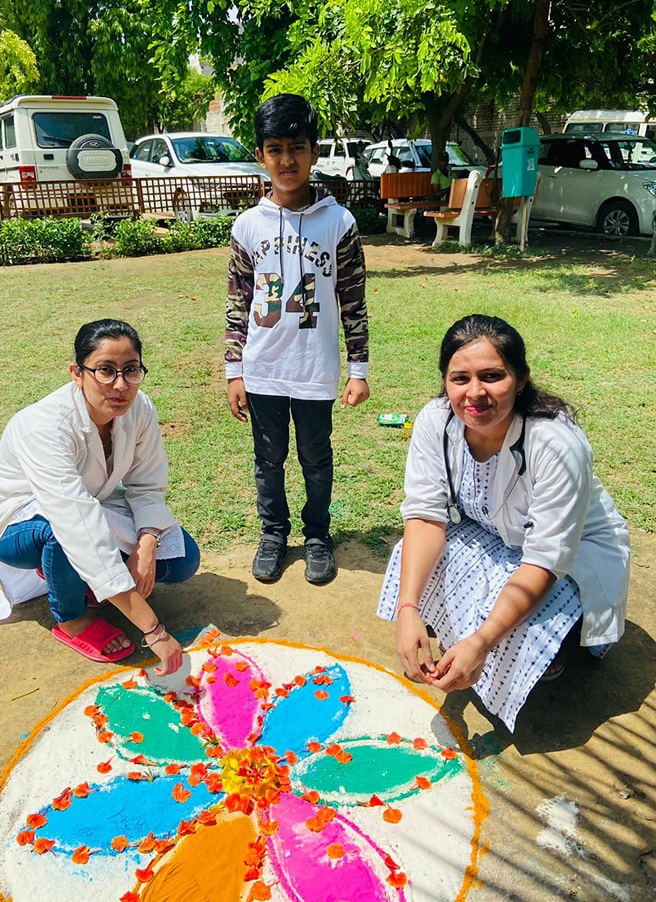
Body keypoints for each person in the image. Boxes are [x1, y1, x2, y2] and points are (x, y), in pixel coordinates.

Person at [377, 314, 630, 732]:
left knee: (512, 617)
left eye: (492, 376)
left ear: (521, 378)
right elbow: (425, 516)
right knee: (415, 552)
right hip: (496, 535)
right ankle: (470, 635)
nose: (474, 394)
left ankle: (555, 645)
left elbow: (545, 561)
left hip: (572, 559)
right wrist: (409, 611)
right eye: (460, 379)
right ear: (445, 380)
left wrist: (481, 641)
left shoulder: (555, 444)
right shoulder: (435, 421)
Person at [0, 319, 200, 674]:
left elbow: (146, 483)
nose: (121, 385)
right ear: (77, 373)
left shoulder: (140, 408)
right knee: (61, 536)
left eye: (131, 370)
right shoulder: (44, 426)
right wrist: (153, 630)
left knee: (182, 560)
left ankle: (92, 586)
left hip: (95, 503)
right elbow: (75, 523)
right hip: (17, 521)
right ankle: (71, 619)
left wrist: (148, 541)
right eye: (105, 371)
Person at [225, 93, 370, 586]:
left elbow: (353, 299)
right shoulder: (247, 226)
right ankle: (273, 533)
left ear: (314, 150)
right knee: (268, 459)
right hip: (262, 369)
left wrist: (359, 369)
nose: (287, 160)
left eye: (298, 147)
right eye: (275, 148)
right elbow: (237, 302)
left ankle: (316, 536)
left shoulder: (339, 223)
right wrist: (233, 369)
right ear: (261, 155)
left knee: (315, 456)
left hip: (314, 369)